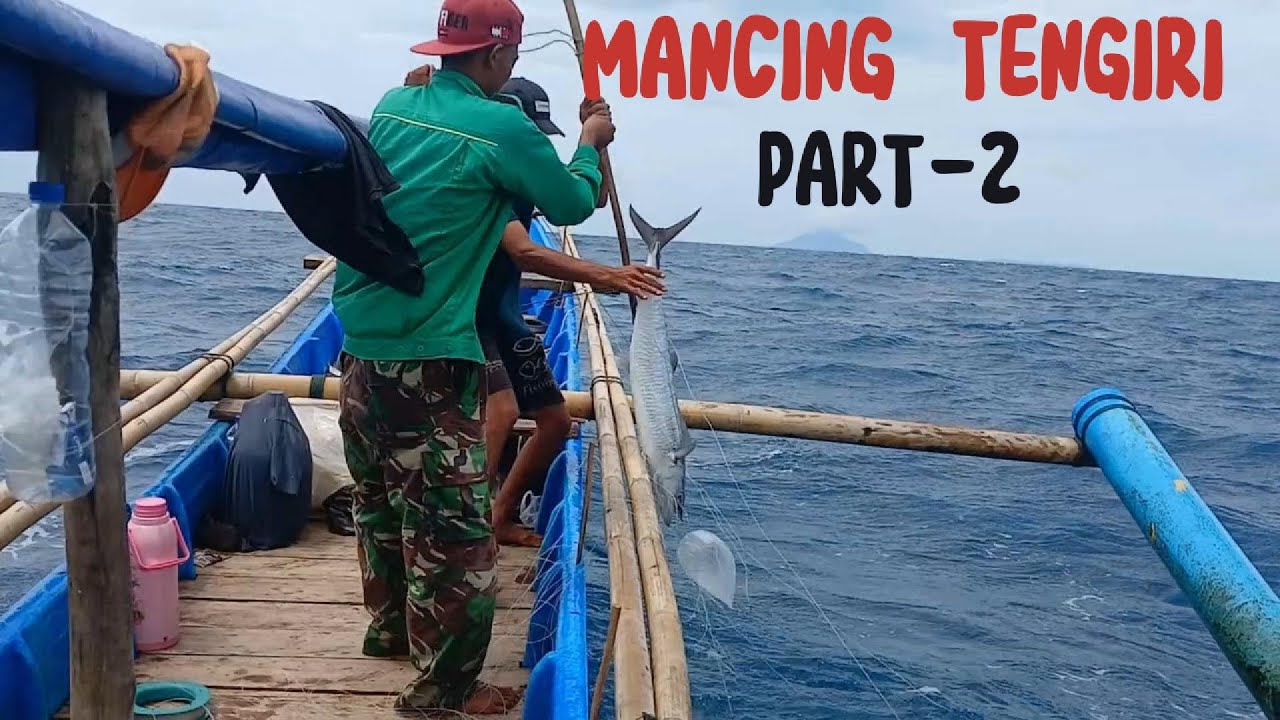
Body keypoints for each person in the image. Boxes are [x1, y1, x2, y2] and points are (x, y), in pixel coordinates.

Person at [331, 0, 617, 712]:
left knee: (379, 504)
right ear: (496, 57)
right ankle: (442, 694)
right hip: (433, 359)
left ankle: (389, 632)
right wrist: (592, 139)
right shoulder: (504, 126)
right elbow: (577, 200)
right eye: (512, 57)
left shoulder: (395, 102)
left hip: (360, 350)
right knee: (453, 533)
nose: (511, 67)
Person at [477, 77, 665, 548]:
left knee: (556, 422)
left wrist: (596, 140)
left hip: (504, 314)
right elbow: (525, 252)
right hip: (471, 313)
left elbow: (591, 198)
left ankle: (499, 514)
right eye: (533, 131)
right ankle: (468, 525)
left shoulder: (524, 174)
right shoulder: (484, 175)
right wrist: (608, 276)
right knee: (500, 408)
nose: (537, 142)